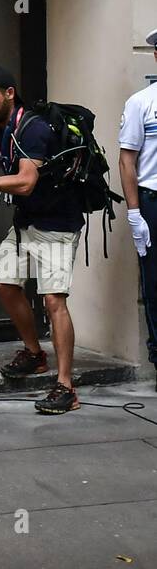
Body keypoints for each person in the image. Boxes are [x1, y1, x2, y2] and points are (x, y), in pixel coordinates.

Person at [0, 66, 84, 414]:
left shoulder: (31, 128)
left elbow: (24, 182)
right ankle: (35, 354)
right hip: (25, 222)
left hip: (56, 223)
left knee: (53, 301)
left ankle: (66, 387)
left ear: (9, 93)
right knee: (5, 283)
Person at [118, 27, 157, 391]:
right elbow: (127, 161)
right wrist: (134, 214)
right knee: (156, 283)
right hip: (153, 201)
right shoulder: (141, 102)